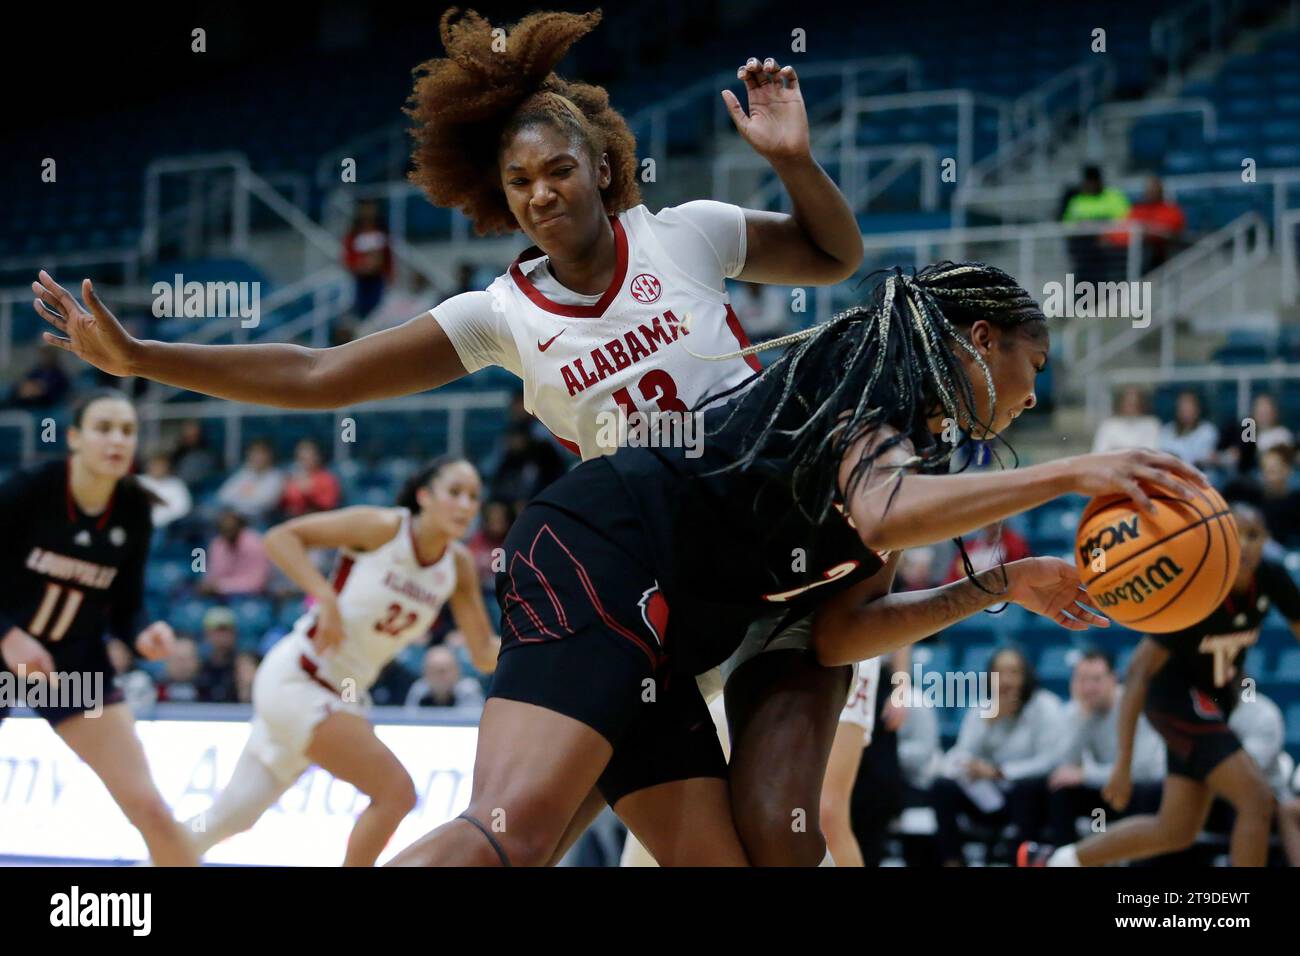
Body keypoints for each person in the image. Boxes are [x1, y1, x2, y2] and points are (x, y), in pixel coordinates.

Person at [31, 7, 870, 865]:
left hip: (774, 555)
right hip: (654, 592)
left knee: (778, 842)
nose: (541, 193)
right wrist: (141, 358)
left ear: (606, 167)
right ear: (500, 197)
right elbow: (321, 374)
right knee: (554, 842)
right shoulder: (498, 316)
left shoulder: (685, 232)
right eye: (519, 182)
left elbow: (834, 255)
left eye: (559, 170)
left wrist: (794, 163)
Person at [379, 261, 1204, 868]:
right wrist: (1071, 473)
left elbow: (842, 634)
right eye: (1035, 368)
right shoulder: (862, 376)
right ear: (982, 340)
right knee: (510, 835)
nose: (1031, 396)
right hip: (604, 550)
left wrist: (998, 584)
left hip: (673, 641)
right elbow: (884, 509)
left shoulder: (914, 450)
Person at [184, 457, 498, 866]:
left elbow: (482, 653)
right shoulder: (384, 527)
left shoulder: (456, 566)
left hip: (337, 695)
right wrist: (325, 596)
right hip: (299, 678)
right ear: (424, 496)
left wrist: (541, 638)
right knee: (395, 793)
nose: (466, 504)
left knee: (228, 820)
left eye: (473, 496)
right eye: (454, 492)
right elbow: (280, 538)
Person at [1021, 502, 1300, 867]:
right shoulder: (1198, 589)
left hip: (1212, 704)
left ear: (1266, 540)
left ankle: (1059, 861)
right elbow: (1137, 674)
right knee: (1257, 799)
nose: (1245, 545)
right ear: (1221, 539)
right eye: (1236, 534)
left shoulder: (1273, 577)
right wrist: (1123, 764)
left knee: (1175, 828)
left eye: (1254, 535)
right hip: (1174, 701)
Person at [0, 389, 196, 865]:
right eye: (103, 427)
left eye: (127, 430)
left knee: (150, 807)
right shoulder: (32, 489)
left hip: (72, 663)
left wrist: (143, 633)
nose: (117, 439)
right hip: (2, 642)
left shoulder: (134, 508)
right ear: (73, 438)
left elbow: (126, 604)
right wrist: (8, 635)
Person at [932, 646, 1064, 865]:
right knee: (942, 787)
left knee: (1028, 790)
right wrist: (988, 723)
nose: (1006, 680)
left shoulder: (1045, 706)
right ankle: (952, 861)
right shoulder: (982, 708)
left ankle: (1020, 860)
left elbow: (1049, 761)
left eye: (1013, 672)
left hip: (1030, 798)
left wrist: (999, 772)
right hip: (988, 797)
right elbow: (959, 756)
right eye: (999, 672)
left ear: (1026, 676)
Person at [1043, 647, 1165, 847]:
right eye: (1082, 680)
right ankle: (1066, 856)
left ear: (1113, 679)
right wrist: (1082, 720)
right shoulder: (1078, 712)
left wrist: (1086, 775)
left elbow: (1145, 770)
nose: (1089, 688)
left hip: (1142, 789)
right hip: (1107, 790)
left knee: (1146, 791)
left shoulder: (1134, 705)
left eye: (1096, 680)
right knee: (1061, 791)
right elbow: (1063, 767)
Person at [199, 510, 271, 596]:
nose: (227, 532)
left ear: (240, 527)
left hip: (251, 595)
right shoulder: (218, 544)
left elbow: (257, 582)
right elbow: (213, 575)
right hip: (221, 595)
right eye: (223, 529)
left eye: (231, 528)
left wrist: (221, 587)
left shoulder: (255, 544)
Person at [342, 200, 393, 320]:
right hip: (360, 278)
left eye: (371, 208)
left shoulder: (381, 231)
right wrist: (357, 266)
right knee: (359, 308)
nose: (368, 212)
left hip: (377, 277)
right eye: (365, 209)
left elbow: (387, 256)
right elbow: (348, 255)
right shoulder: (354, 234)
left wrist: (389, 273)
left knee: (377, 310)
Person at [215, 438, 285, 524]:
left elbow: (264, 503)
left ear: (270, 455)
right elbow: (223, 495)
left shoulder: (276, 476)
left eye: (261, 453)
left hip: (260, 520)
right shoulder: (244, 473)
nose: (257, 457)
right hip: (235, 516)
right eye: (254, 453)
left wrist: (237, 503)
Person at [403, 644, 486, 709]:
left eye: (444, 671)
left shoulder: (468, 690)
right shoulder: (419, 691)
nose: (440, 677)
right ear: (425, 673)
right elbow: (409, 721)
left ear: (457, 671)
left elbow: (472, 722)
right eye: (434, 671)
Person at [279, 439, 342, 518]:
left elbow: (329, 505)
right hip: (293, 521)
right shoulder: (291, 477)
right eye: (302, 457)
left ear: (318, 457)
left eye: (309, 455)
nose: (305, 459)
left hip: (318, 520)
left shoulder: (327, 478)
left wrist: (309, 493)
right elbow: (284, 504)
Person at [1158, 389, 1219, 469]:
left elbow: (1201, 457)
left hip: (1197, 472)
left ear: (1198, 409)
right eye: (1182, 407)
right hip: (1170, 471)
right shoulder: (1167, 429)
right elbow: (1162, 453)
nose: (1185, 410)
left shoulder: (1207, 430)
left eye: (1189, 407)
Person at [1093, 384, 1161, 453]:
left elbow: (1151, 451)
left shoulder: (1151, 424)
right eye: (1128, 403)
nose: (1131, 408)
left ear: (1141, 404)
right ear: (1121, 403)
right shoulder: (1108, 425)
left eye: (1135, 403)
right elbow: (1099, 451)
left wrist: (1117, 449)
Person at [137, 449, 192, 528]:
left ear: (168, 467)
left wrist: (163, 505)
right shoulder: (136, 481)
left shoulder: (176, 484)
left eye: (162, 465)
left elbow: (184, 509)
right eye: (155, 465)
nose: (158, 468)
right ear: (148, 465)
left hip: (168, 527)